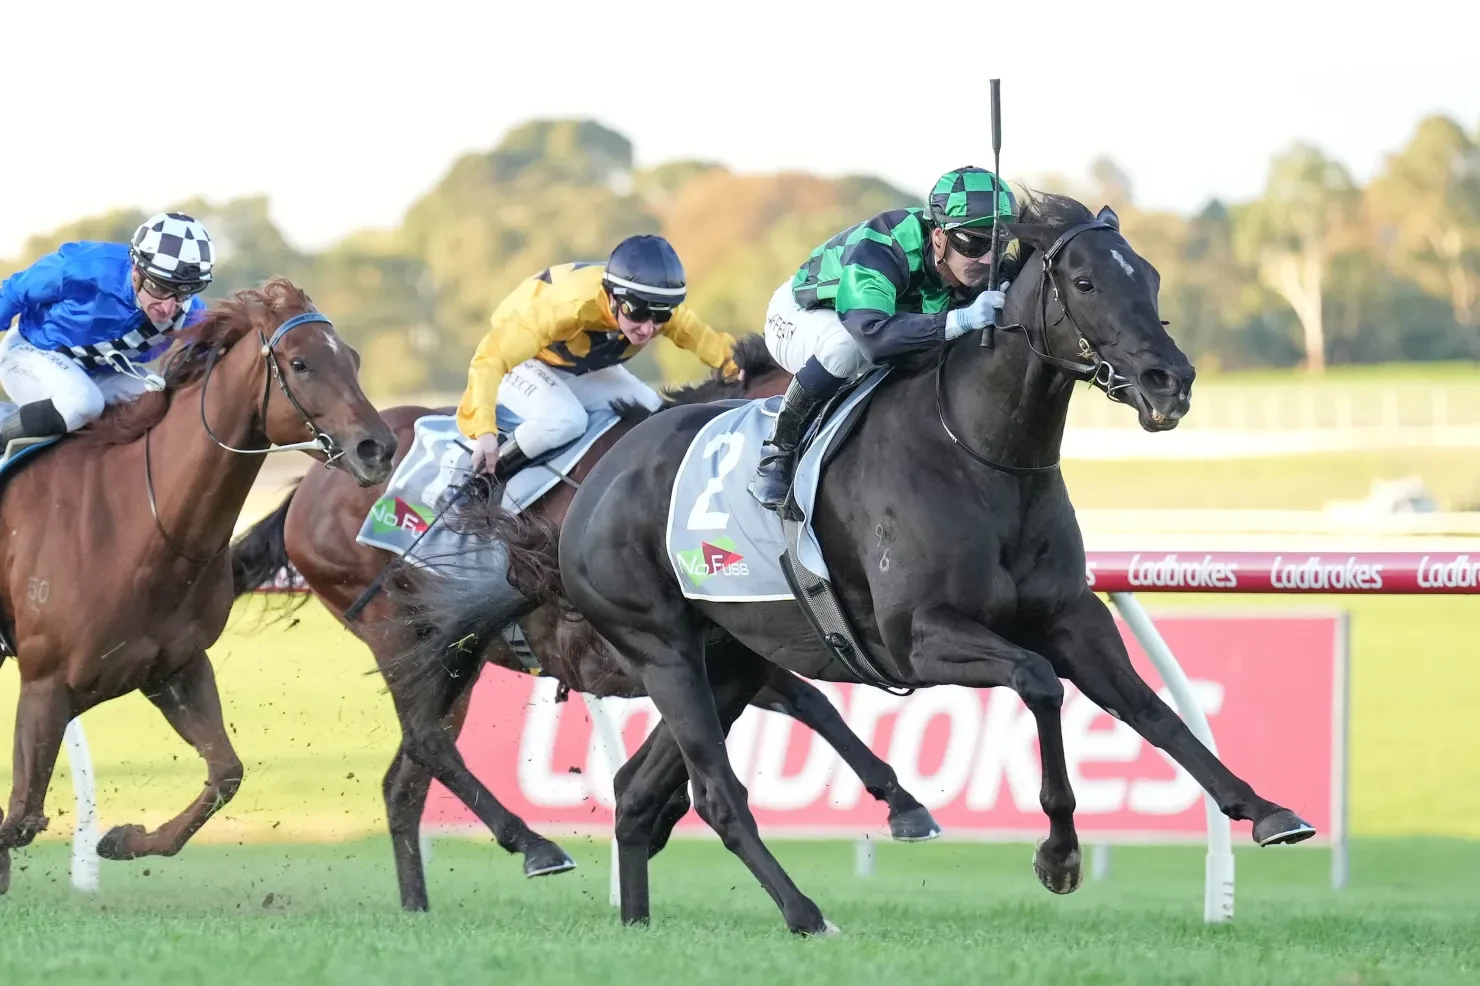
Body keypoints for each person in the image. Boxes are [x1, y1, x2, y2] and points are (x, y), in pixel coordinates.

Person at [748, 166, 1021, 510]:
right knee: (846, 348)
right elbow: (873, 338)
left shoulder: (980, 262)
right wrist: (962, 319)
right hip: (805, 313)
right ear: (938, 236)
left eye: (999, 243)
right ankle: (777, 451)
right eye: (975, 242)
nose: (987, 258)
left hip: (882, 319)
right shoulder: (883, 245)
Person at [457, 234, 739, 480]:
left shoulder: (653, 304)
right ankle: (483, 481)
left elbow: (711, 345)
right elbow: (491, 357)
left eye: (661, 316)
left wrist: (738, 368)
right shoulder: (570, 305)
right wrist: (484, 432)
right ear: (613, 298)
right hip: (521, 361)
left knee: (651, 410)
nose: (648, 328)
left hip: (572, 366)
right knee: (566, 419)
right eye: (637, 313)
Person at [0, 212, 214, 448]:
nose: (168, 307)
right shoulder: (84, 267)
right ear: (136, 271)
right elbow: (11, 293)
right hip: (29, 352)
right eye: (159, 288)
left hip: (97, 372)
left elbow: (205, 365)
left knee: (160, 402)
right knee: (81, 404)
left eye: (182, 293)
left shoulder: (190, 312)